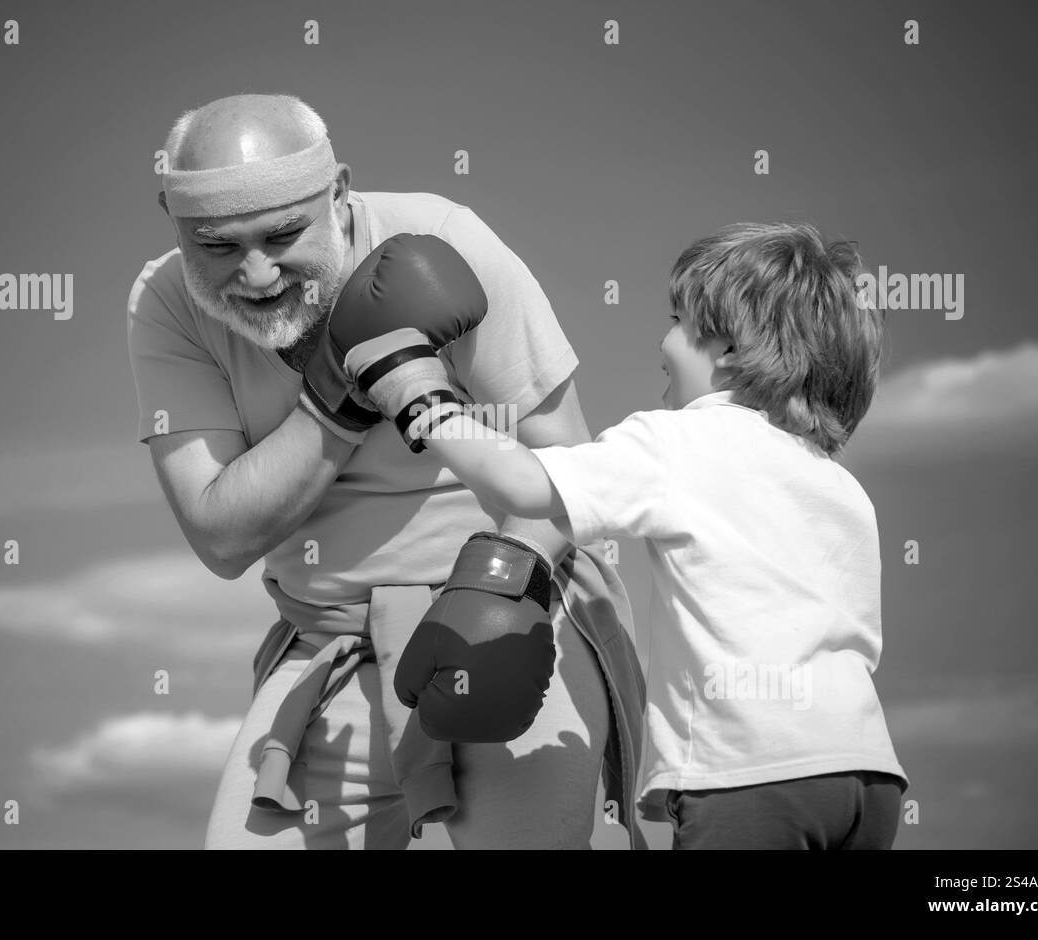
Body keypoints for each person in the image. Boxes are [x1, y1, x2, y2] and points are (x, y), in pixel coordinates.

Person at [126, 93, 646, 849]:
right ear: (173, 219)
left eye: (282, 234)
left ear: (339, 190)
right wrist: (342, 386)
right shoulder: (166, 301)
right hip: (330, 647)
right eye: (217, 247)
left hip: (513, 620)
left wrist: (498, 592)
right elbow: (221, 536)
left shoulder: (443, 238)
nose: (259, 273)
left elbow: (569, 463)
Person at [356, 222, 910, 849]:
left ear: (728, 348)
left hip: (751, 774)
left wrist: (419, 398)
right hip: (869, 776)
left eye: (677, 320)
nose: (662, 339)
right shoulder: (839, 487)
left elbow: (525, 484)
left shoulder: (682, 441)